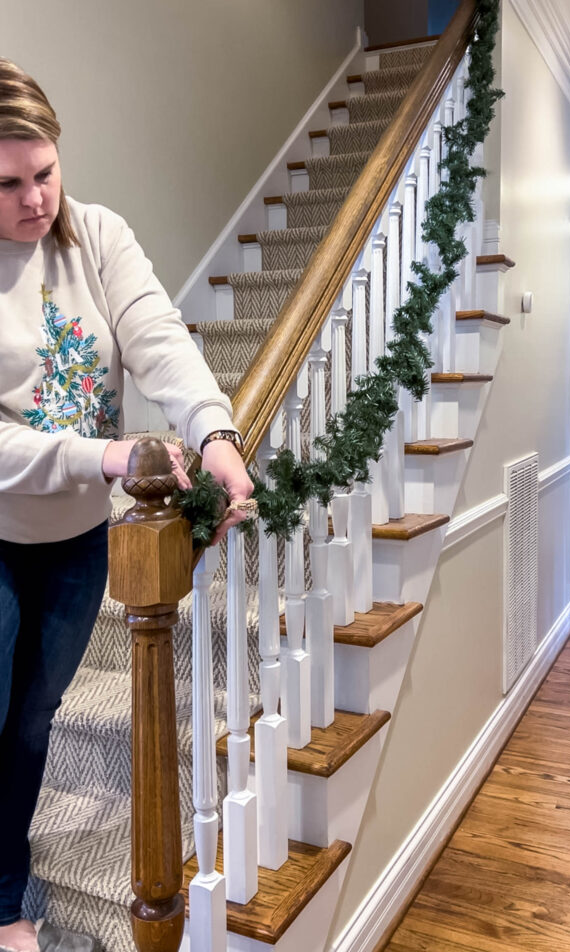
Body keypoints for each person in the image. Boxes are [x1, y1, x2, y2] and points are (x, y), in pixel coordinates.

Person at [0, 57, 254, 952]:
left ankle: (4, 901)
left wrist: (215, 434)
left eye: (44, 172)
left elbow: (160, 342)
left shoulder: (98, 237)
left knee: (32, 722)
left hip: (74, 541)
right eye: (7, 184)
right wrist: (105, 454)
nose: (35, 199)